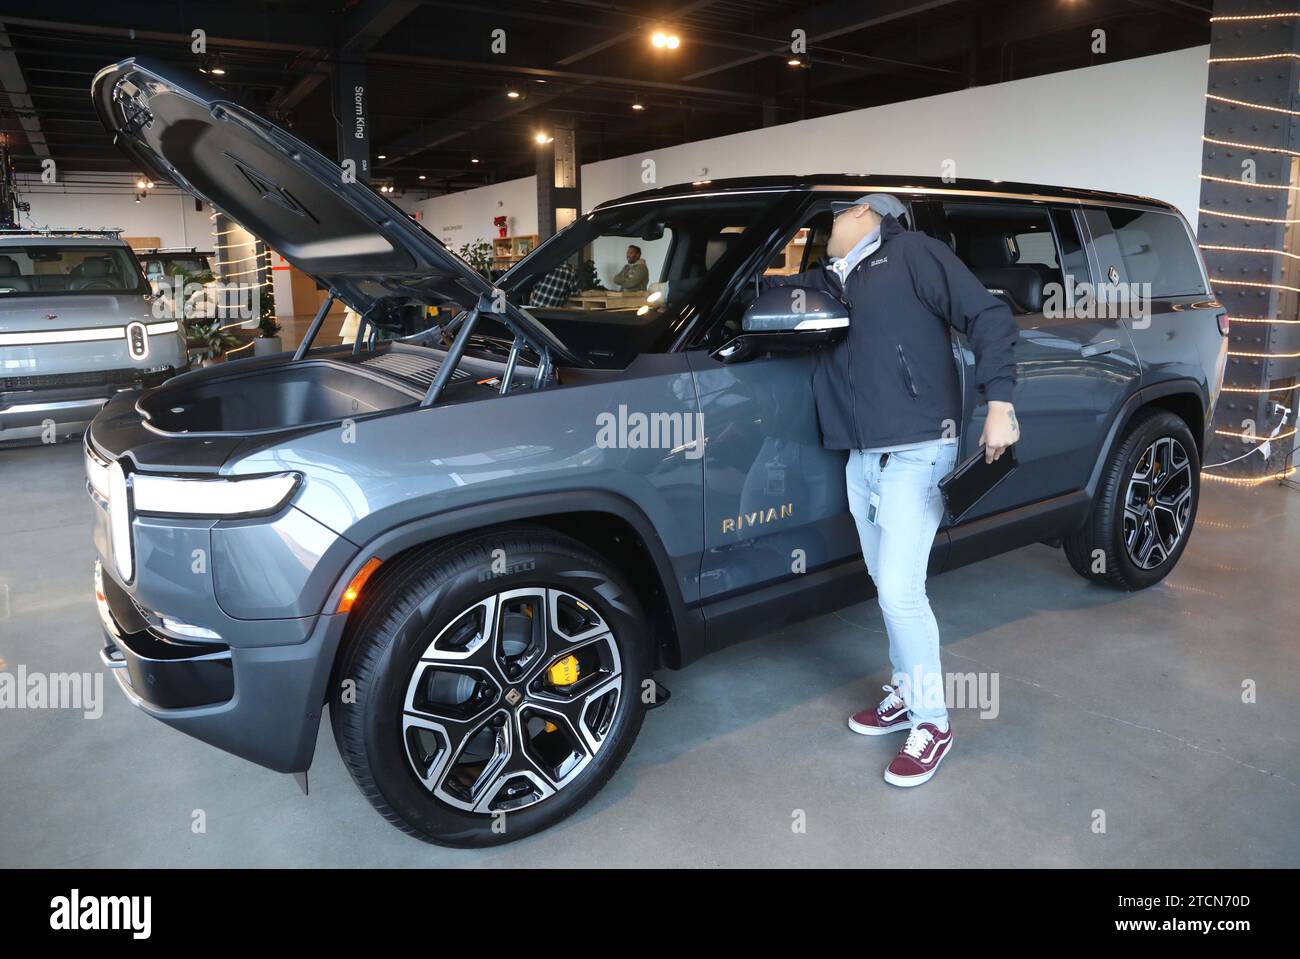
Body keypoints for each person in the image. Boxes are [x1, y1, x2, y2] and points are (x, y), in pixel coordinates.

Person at [766, 194, 1020, 788]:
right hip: (862, 456)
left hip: (918, 448)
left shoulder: (913, 254)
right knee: (886, 587)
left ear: (863, 213)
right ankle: (906, 695)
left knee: (901, 594)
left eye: (833, 216)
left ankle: (933, 721)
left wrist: (999, 404)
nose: (825, 228)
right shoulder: (828, 279)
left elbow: (989, 316)